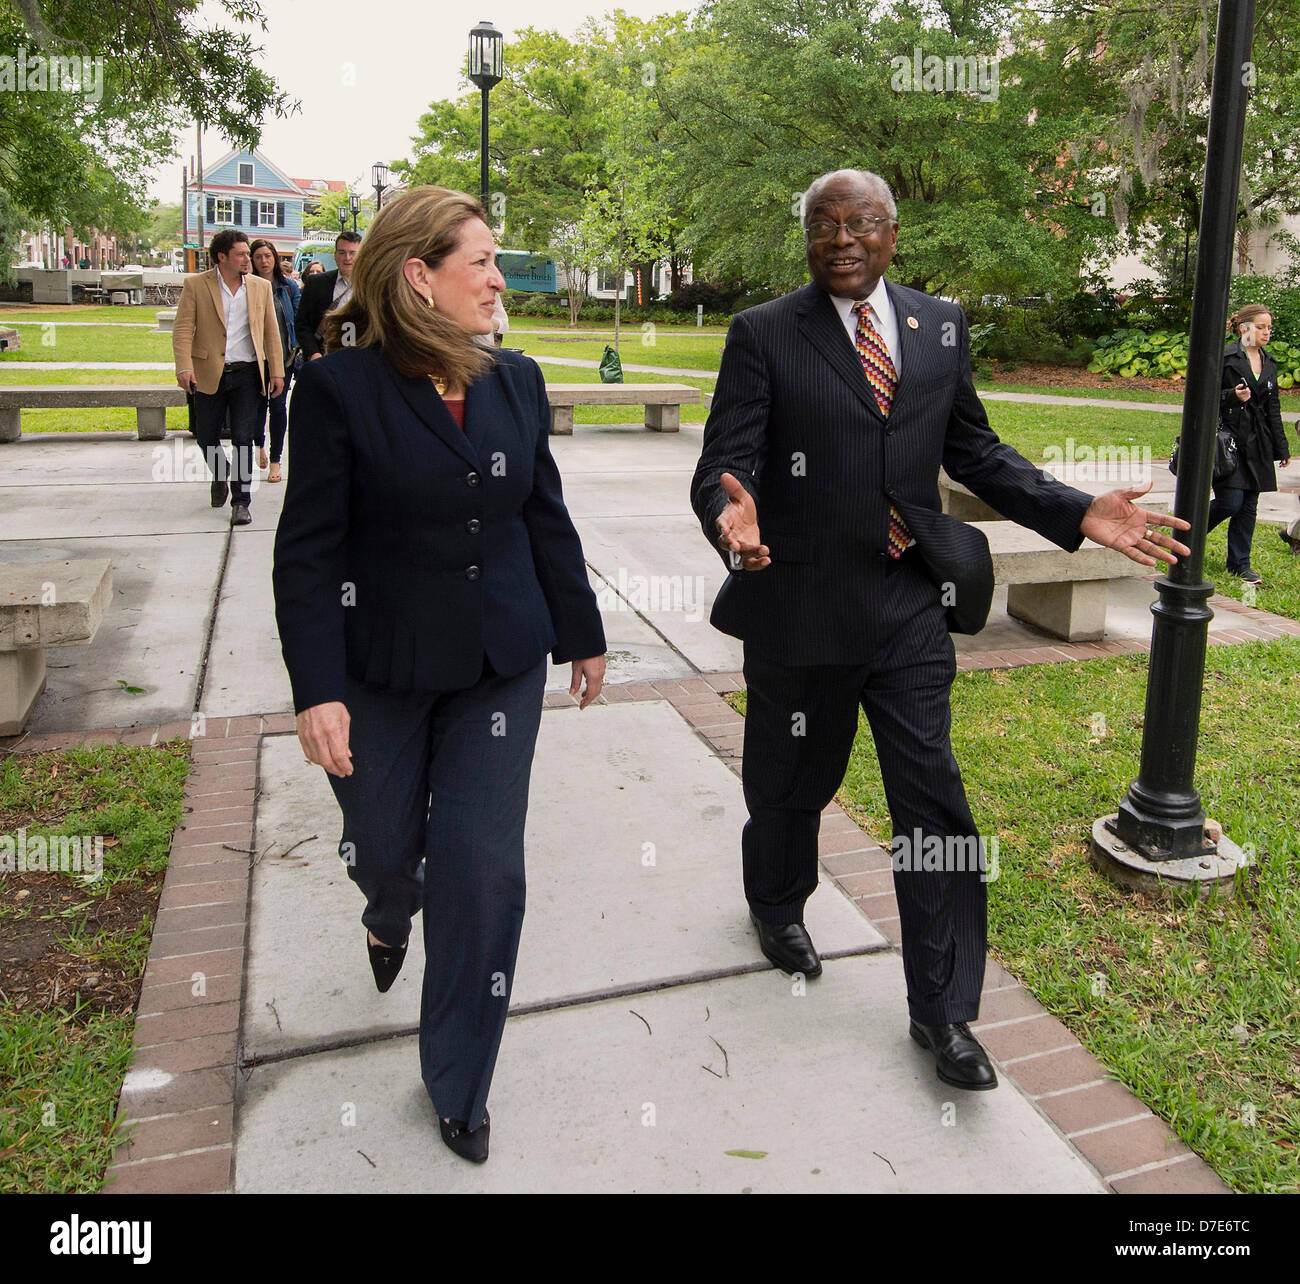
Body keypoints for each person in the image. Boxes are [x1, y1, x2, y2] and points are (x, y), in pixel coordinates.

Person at [690, 168, 1191, 1093]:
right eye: (824, 226)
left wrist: (1076, 510)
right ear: (806, 237)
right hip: (799, 607)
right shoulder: (764, 333)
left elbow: (975, 449)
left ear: (891, 232)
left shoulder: (939, 324)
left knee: (936, 806)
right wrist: (732, 518)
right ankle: (776, 902)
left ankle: (945, 1012)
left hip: (907, 600)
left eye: (861, 224)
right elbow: (726, 459)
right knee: (792, 783)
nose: (842, 240)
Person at [272, 185, 606, 1162]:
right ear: (419, 276)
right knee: (386, 847)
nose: (499, 280)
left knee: (482, 870)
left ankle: (459, 1080)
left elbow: (541, 513)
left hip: (497, 665)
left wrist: (580, 631)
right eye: (482, 262)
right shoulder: (337, 393)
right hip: (379, 664)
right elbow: (308, 551)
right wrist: (316, 687)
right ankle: (385, 910)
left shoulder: (518, 381)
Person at [173, 229, 284, 526]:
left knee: (244, 438)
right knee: (206, 435)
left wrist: (276, 371)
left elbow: (271, 331)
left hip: (248, 373)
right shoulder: (196, 285)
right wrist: (184, 367)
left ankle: (241, 501)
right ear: (222, 257)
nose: (247, 259)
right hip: (209, 372)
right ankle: (221, 474)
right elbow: (183, 329)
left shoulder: (260, 287)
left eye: (247, 253)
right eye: (241, 254)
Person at [1207, 306, 1291, 583]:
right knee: (1230, 502)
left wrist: (1282, 448)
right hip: (1229, 442)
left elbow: (1273, 409)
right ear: (1244, 328)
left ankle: (1240, 564)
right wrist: (1232, 396)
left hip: (1259, 445)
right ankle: (1185, 533)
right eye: (1260, 326)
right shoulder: (1225, 357)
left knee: (1248, 507)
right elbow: (1203, 397)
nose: (1266, 332)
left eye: (1269, 327)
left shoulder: (1269, 362)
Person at [249, 238, 301, 483]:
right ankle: (258, 444)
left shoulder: (288, 287)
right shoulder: (247, 287)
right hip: (256, 359)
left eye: (268, 256)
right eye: (258, 256)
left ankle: (275, 460)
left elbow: (299, 320)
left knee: (278, 408)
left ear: (276, 259)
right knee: (258, 406)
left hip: (283, 357)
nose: (264, 261)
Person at [295, 230, 361, 361]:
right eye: (342, 253)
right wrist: (314, 354)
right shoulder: (316, 283)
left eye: (353, 253)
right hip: (325, 358)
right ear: (335, 255)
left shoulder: (372, 286)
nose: (347, 258)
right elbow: (302, 324)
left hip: (360, 360)